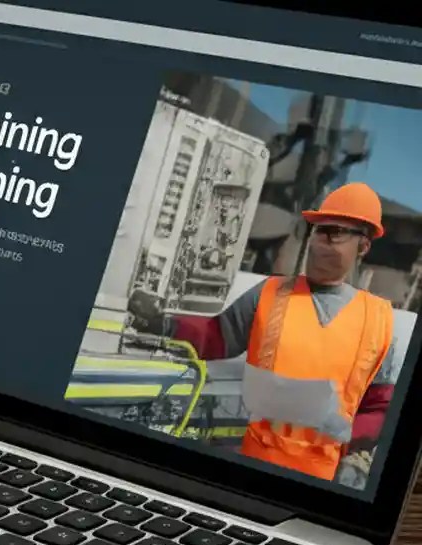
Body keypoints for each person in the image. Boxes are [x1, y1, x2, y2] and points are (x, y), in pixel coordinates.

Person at [127, 182, 396, 487]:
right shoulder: (270, 293)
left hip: (321, 482)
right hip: (253, 467)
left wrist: (348, 438)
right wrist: (162, 323)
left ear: (363, 246)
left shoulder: (379, 319)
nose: (321, 243)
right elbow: (218, 335)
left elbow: (381, 407)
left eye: (335, 233)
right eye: (317, 231)